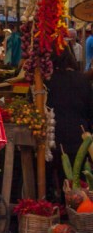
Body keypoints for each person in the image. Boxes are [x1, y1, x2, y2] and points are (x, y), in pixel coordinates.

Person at [46, 45, 93, 200]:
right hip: (79, 137)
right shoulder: (83, 80)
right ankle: (77, 212)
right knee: (79, 182)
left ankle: (59, 204)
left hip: (54, 139)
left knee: (61, 177)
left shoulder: (48, 81)